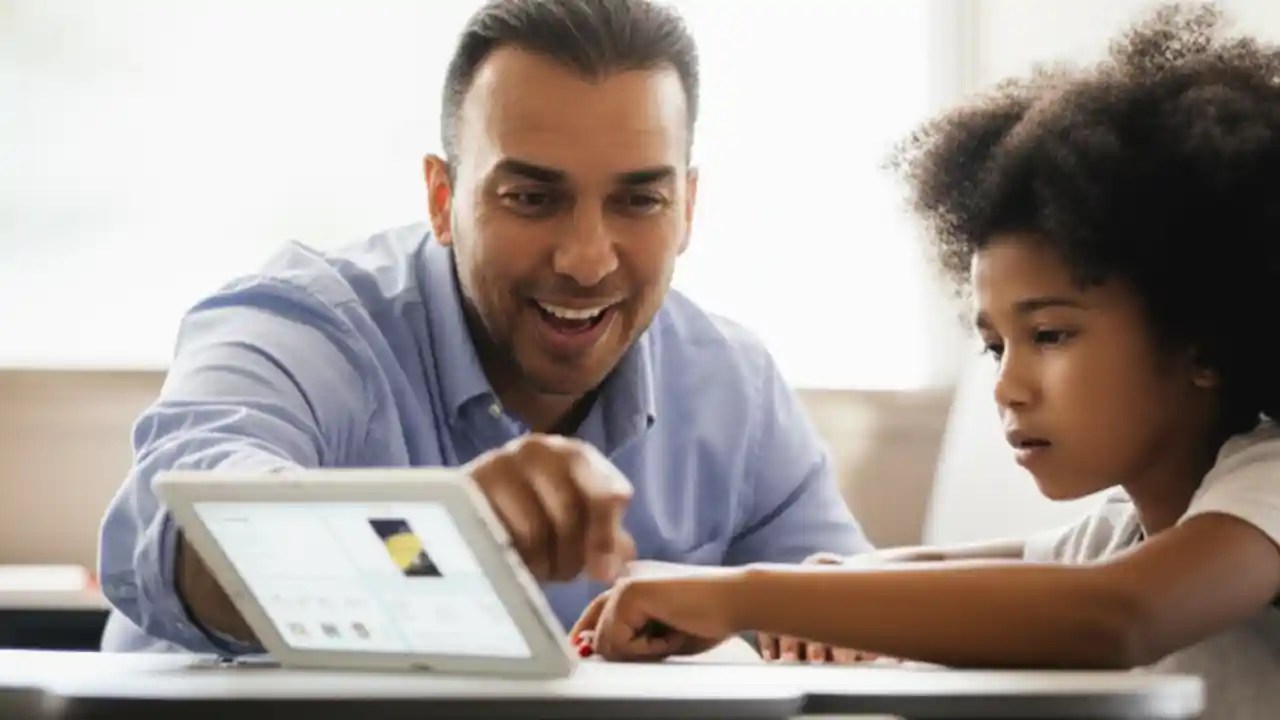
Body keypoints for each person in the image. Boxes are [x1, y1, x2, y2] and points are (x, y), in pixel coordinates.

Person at [95, 0, 871, 654]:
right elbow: (171, 531)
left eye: (639, 201)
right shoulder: (301, 327)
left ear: (688, 208)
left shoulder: (733, 388)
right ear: (443, 198)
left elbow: (851, 614)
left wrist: (812, 620)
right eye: (533, 198)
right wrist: (429, 539)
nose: (586, 259)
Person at [575, 4, 1280, 718]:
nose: (1007, 386)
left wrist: (744, 594)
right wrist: (827, 587)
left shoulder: (1266, 485)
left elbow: (1120, 614)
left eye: (1052, 336)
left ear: (1204, 342)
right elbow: (973, 571)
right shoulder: (1122, 532)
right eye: (995, 346)